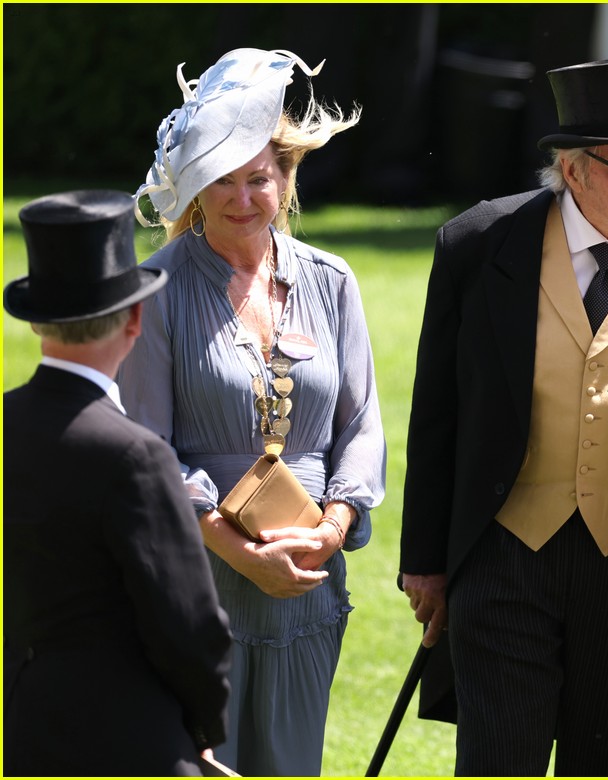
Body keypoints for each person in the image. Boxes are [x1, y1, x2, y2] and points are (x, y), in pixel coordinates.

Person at [399, 53, 608, 776]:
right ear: (572, 170)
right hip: (506, 552)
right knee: (497, 761)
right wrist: (425, 562)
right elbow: (438, 411)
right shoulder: (478, 243)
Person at [118, 48, 386, 776]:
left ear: (286, 181)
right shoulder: (157, 289)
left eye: (258, 178)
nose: (242, 198)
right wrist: (237, 551)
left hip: (308, 584)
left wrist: (333, 528)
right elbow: (147, 448)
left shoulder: (332, 281)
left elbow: (361, 424)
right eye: (222, 180)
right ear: (194, 188)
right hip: (200, 584)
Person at [3, 190, 232, 775]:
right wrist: (204, 725)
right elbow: (188, 623)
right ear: (135, 319)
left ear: (39, 321)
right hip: (126, 739)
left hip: (20, 730)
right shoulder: (135, 454)